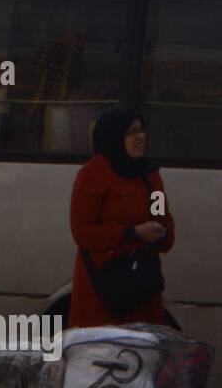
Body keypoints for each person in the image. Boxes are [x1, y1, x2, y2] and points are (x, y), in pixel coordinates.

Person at [69, 108, 176, 328]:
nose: (140, 137)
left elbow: (162, 216)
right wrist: (131, 232)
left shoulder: (151, 177)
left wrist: (161, 232)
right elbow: (82, 231)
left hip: (142, 291)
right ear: (114, 137)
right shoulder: (93, 175)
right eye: (131, 132)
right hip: (105, 292)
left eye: (141, 130)